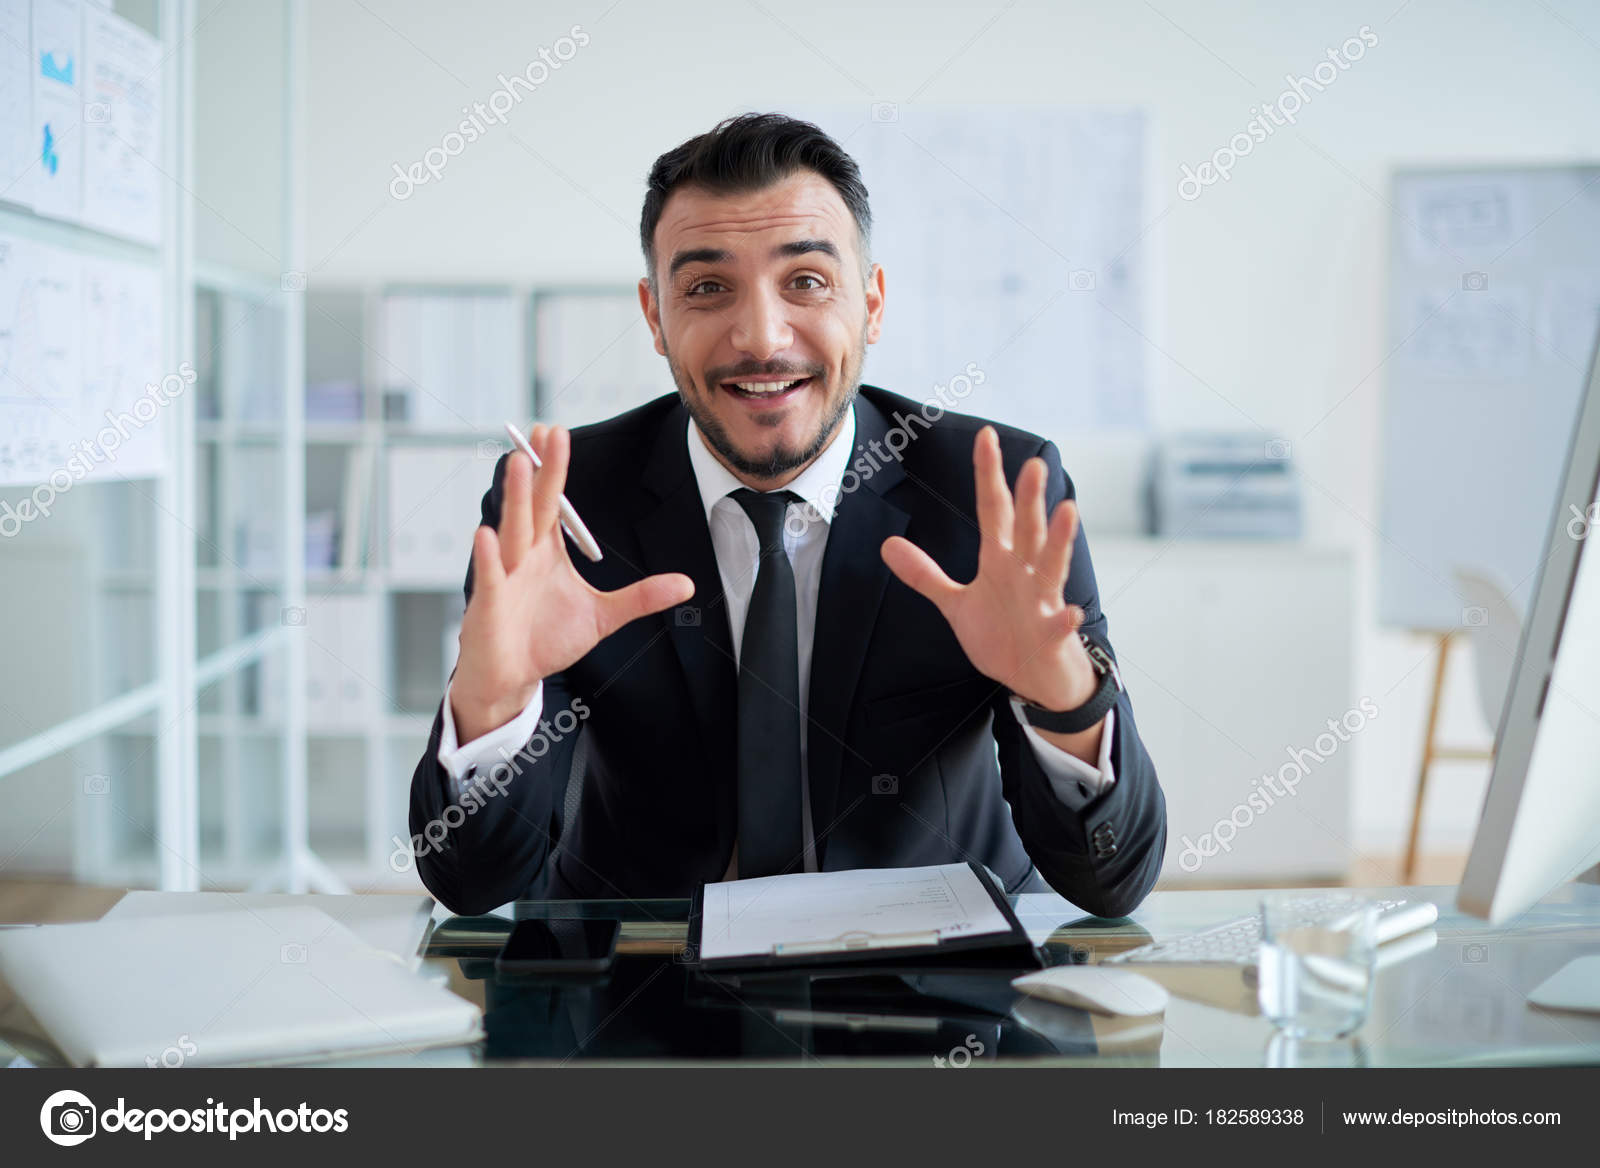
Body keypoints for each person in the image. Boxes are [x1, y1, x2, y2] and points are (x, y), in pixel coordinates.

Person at [408, 113, 1165, 916]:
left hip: (935, 964)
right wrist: (493, 705)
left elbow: (1110, 881)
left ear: (871, 304)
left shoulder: (994, 492)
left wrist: (1062, 698)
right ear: (655, 316)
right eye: (707, 288)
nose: (762, 338)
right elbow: (472, 883)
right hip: (647, 968)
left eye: (806, 281)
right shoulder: (562, 502)